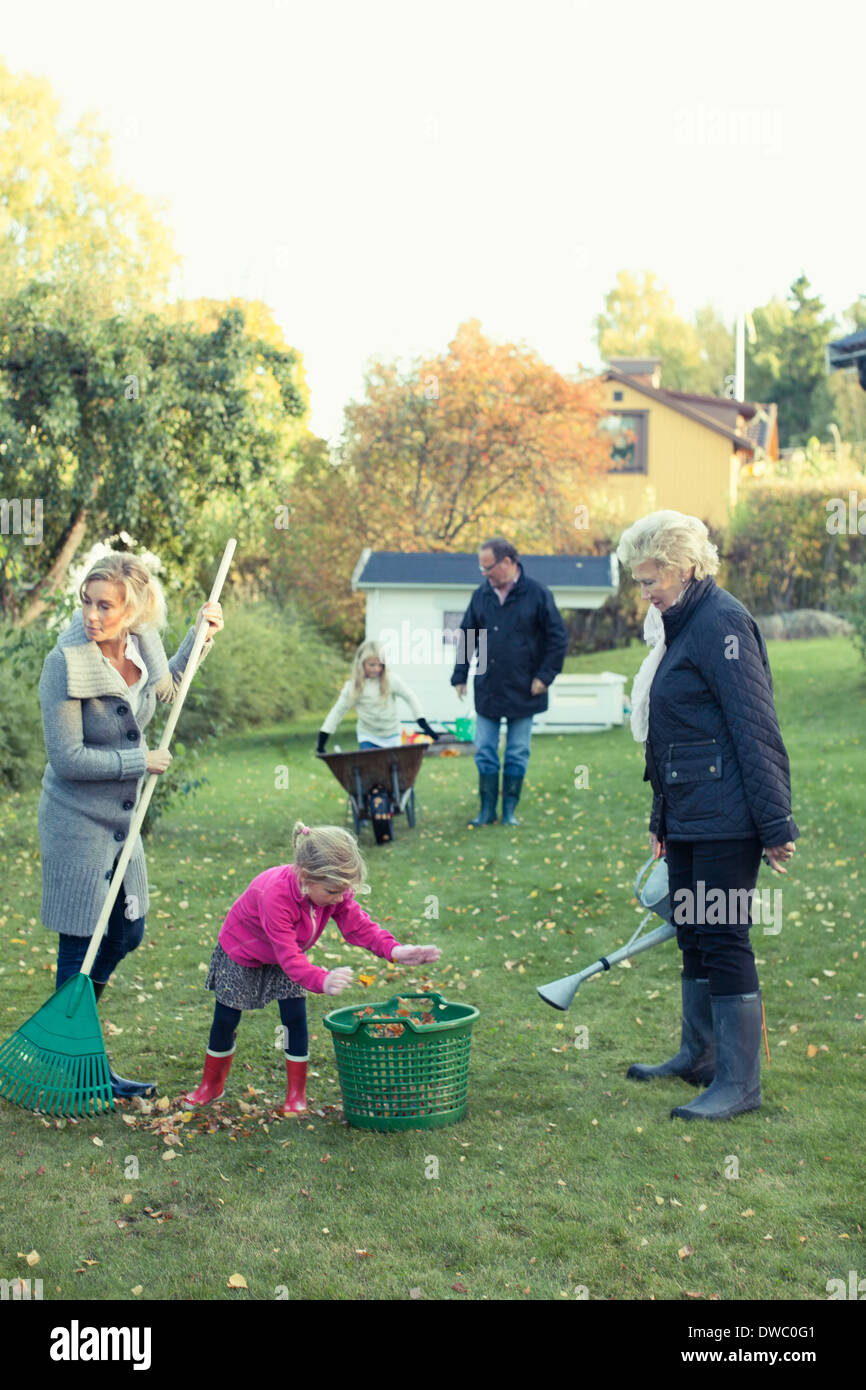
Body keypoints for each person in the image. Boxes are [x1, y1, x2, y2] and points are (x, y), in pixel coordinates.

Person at [617, 511, 798, 1121]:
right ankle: (699, 1057)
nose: (645, 593)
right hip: (689, 814)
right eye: (640, 582)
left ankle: (739, 1085)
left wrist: (776, 826)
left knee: (722, 936)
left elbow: (755, 727)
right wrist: (661, 818)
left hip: (729, 818)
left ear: (685, 565)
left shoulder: (722, 623)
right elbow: (672, 737)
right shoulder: (680, 626)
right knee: (693, 932)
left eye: (650, 580)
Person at [37, 550, 224, 1098]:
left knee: (126, 931)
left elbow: (167, 687)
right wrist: (138, 762)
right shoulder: (65, 662)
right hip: (75, 819)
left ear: (135, 609)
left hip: (123, 820)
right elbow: (67, 757)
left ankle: (71, 1042)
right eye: (87, 602)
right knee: (81, 944)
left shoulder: (143, 645)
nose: (92, 615)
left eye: (105, 606)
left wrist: (200, 635)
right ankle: (74, 1065)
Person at [182, 821, 442, 1113]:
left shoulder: (332, 890)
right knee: (227, 1018)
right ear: (306, 878)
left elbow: (358, 926)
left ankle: (296, 1095)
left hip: (287, 952)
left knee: (294, 1017)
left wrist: (396, 950)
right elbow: (290, 958)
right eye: (334, 891)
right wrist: (322, 980)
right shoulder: (276, 895)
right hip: (244, 950)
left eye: (345, 890)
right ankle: (211, 1085)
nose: (341, 897)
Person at [451, 536, 567, 826]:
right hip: (488, 687)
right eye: (482, 568)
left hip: (526, 688)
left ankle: (509, 812)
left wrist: (545, 676)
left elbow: (558, 639)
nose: (485, 574)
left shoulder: (538, 594)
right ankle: (487, 810)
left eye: (488, 567)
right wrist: (460, 676)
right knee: (485, 751)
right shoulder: (481, 595)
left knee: (517, 752)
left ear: (508, 562)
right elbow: (467, 636)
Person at [316, 639, 438, 752]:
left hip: (392, 734)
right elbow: (338, 711)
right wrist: (323, 738)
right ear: (361, 663)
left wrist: (423, 723)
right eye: (372, 665)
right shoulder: (353, 686)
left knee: (394, 772)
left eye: (380, 665)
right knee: (371, 770)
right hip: (368, 736)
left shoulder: (391, 680)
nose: (376, 669)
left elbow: (410, 697)